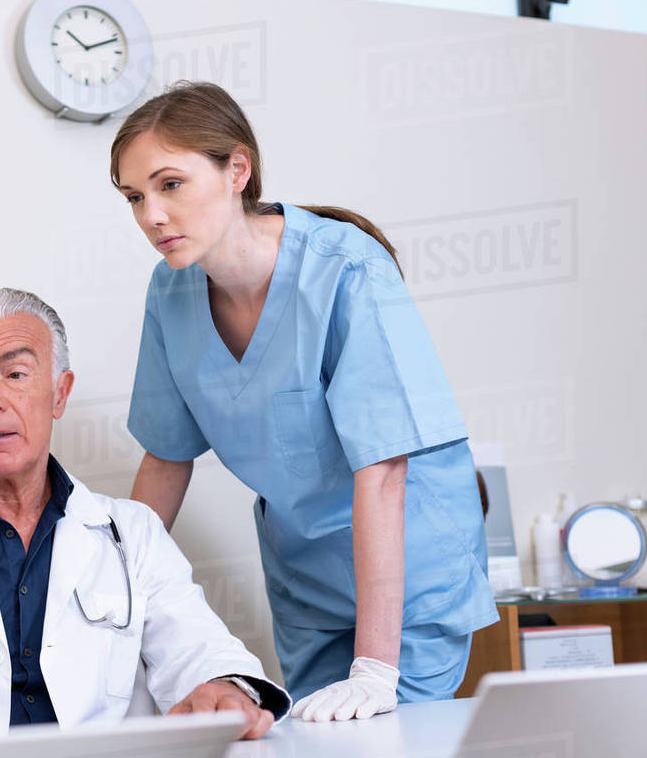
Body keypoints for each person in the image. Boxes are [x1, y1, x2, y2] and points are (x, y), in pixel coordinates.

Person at [109, 82, 498, 722]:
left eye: (169, 184)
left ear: (238, 169)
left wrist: (376, 667)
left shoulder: (345, 268)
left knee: (389, 741)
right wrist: (109, 579)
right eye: (133, 197)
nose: (151, 214)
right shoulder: (170, 291)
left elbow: (384, 469)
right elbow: (166, 458)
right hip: (307, 583)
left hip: (409, 578)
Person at [0, 287, 290, 737]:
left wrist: (223, 687)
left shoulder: (132, 533)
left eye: (15, 373)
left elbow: (199, 650)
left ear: (60, 393)